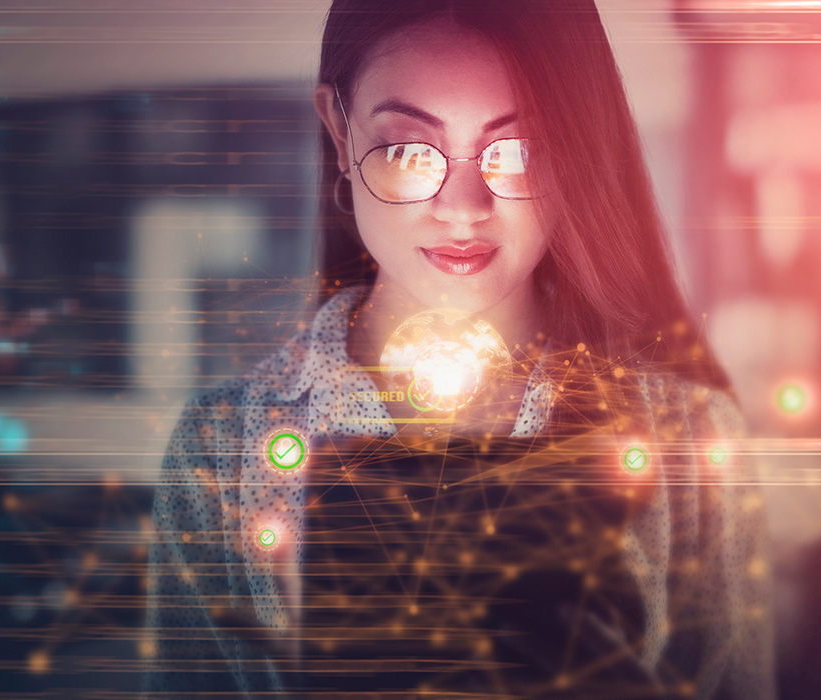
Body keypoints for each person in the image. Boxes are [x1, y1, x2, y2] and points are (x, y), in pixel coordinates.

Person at [143, 0, 776, 697]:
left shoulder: (688, 439)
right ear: (337, 128)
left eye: (518, 151)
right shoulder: (223, 448)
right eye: (411, 151)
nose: (464, 206)